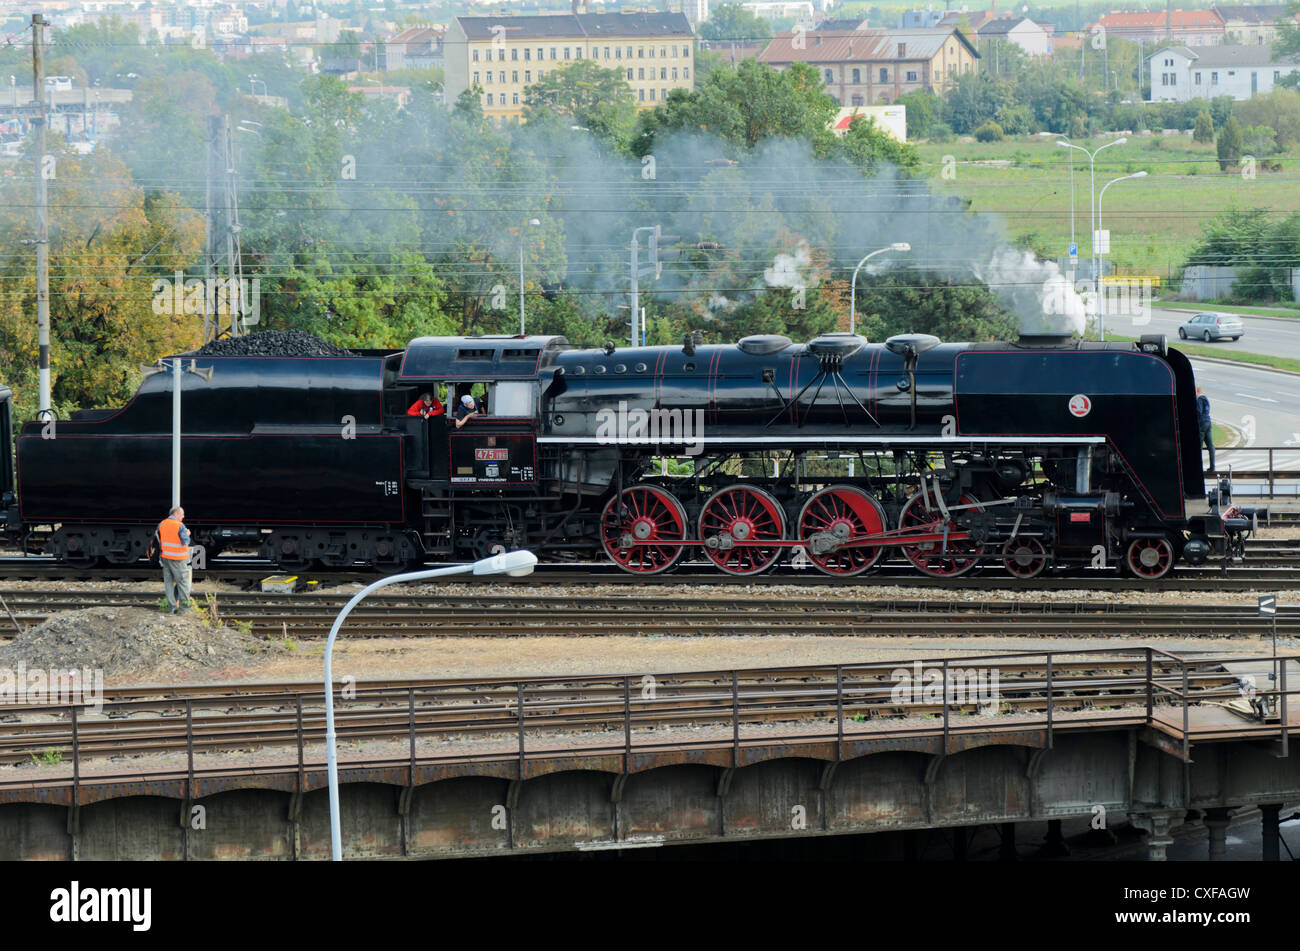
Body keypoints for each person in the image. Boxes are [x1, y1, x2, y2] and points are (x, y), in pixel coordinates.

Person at [155, 505, 193, 614]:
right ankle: (184, 609)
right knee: (183, 583)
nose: (183, 516)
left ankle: (172, 608)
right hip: (178, 559)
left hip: (165, 558)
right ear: (175, 514)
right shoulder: (180, 526)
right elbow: (185, 541)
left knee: (169, 583)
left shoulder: (162, 524)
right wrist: (188, 534)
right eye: (182, 514)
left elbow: (158, 539)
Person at [1196, 386, 1215, 472]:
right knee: (1210, 446)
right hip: (1208, 422)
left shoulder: (1199, 399)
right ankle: (1212, 467)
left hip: (1202, 423)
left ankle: (1198, 467)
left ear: (1197, 391)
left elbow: (1199, 411)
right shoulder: (1206, 399)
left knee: (1198, 446)